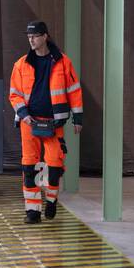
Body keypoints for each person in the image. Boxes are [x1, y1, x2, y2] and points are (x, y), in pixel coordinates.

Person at [9, 21, 84, 224]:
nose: (31, 40)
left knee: (55, 165)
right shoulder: (21, 64)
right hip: (29, 122)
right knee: (29, 165)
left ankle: (51, 200)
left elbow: (74, 90)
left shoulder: (63, 62)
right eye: (29, 37)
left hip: (53, 124)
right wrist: (24, 114)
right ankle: (32, 212)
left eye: (35, 36)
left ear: (45, 37)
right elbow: (14, 95)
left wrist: (78, 117)